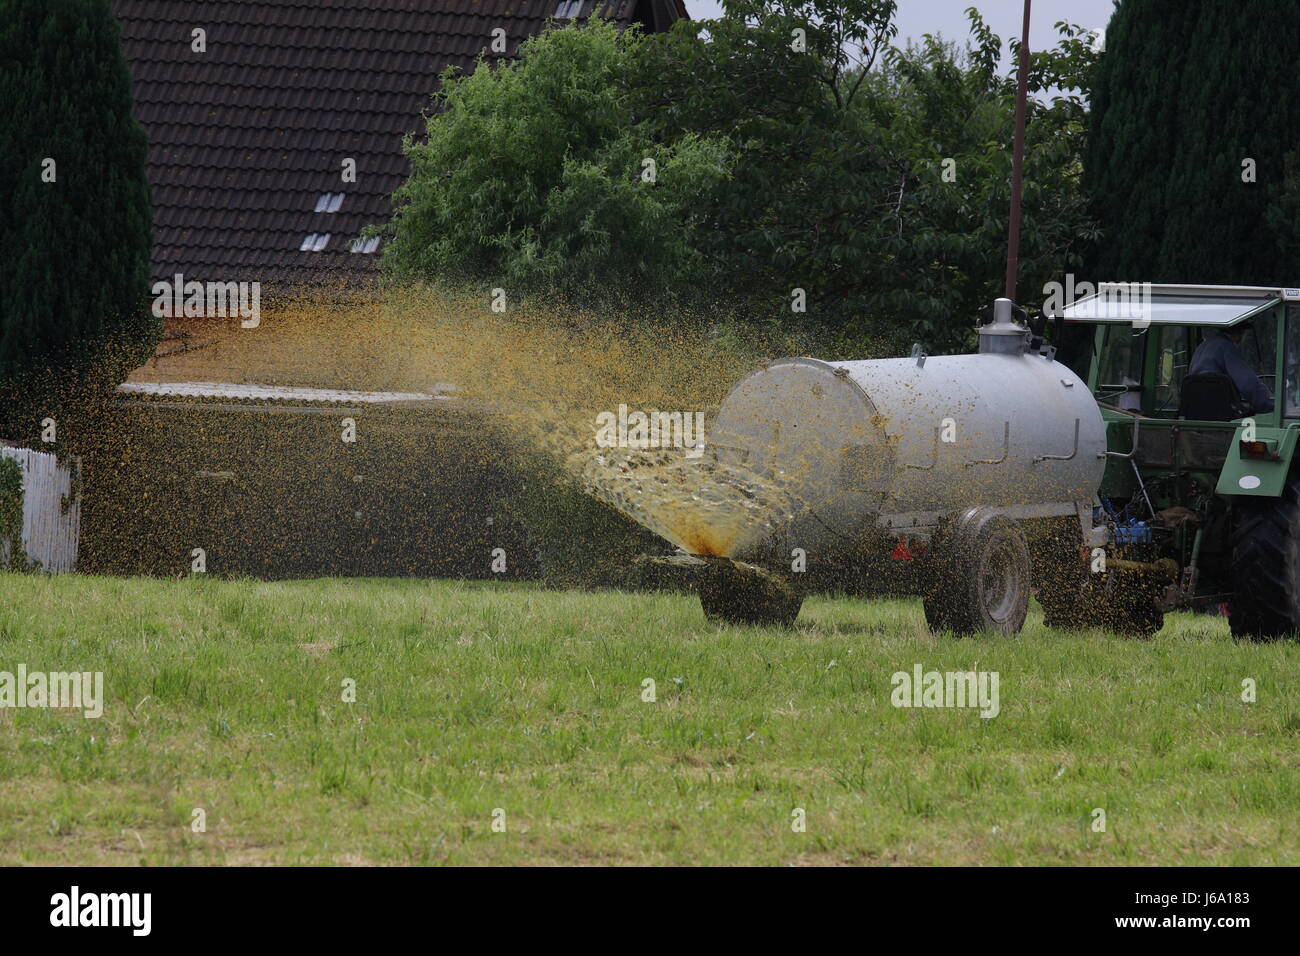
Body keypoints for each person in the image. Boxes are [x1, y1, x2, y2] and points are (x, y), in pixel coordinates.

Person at [1188, 323, 1274, 414]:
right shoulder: (1227, 348)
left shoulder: (1201, 347)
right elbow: (1248, 385)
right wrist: (1269, 406)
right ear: (1241, 332)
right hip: (1220, 414)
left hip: (1196, 413)